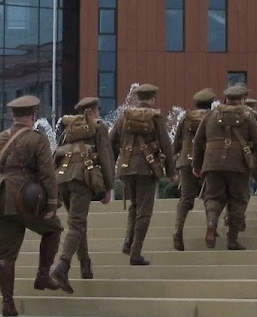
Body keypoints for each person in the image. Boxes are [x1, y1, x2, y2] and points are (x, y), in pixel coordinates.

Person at [0, 95, 63, 316]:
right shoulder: (37, 139)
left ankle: (8, 303)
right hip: (27, 197)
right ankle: (43, 275)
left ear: (12, 116)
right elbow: (47, 173)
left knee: (5, 254)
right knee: (53, 229)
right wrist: (52, 203)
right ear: (33, 116)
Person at [49, 96, 115, 293]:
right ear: (94, 110)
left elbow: (57, 154)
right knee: (77, 224)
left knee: (77, 223)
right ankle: (63, 265)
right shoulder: (98, 126)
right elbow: (106, 157)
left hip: (62, 178)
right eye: (98, 109)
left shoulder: (69, 127)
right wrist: (108, 187)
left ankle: (85, 265)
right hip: (81, 178)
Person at [191, 84, 257, 250]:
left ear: (226, 99)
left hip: (212, 164)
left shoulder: (211, 114)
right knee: (238, 200)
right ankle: (232, 240)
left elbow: (197, 141)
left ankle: (211, 224)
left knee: (213, 198)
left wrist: (197, 165)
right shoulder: (248, 115)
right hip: (238, 165)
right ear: (242, 100)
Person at [109, 84, 176, 265]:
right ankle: (136, 252)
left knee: (134, 206)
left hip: (126, 168)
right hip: (147, 169)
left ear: (137, 98)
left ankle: (128, 241)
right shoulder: (155, 117)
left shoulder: (124, 116)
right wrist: (172, 172)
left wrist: (112, 168)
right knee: (144, 212)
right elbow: (166, 145)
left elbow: (111, 141)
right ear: (153, 99)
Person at [171, 89, 215, 251]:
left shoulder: (186, 118)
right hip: (208, 161)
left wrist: (174, 163)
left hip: (186, 160)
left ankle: (178, 229)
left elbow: (177, 142)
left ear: (196, 104)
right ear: (211, 103)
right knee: (211, 196)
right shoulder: (214, 117)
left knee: (185, 198)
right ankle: (211, 226)